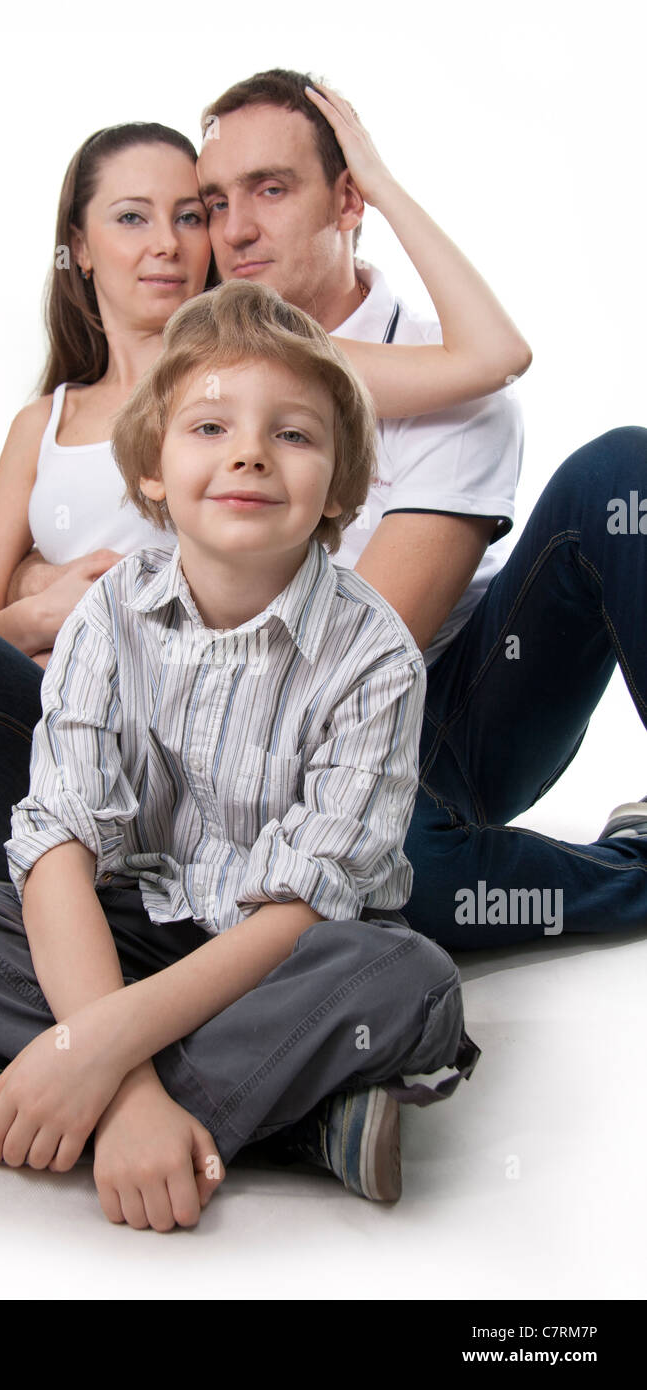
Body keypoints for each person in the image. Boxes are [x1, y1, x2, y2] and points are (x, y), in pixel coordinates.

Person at [0, 98, 531, 983]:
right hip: (20, 756)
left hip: (149, 786)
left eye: (192, 215)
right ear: (81, 246)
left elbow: (490, 358)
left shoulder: (250, 374)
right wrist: (40, 608)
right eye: (133, 218)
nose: (171, 243)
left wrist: (376, 181)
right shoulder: (45, 421)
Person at [0, 279, 482, 1227]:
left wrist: (94, 1048)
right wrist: (126, 1080)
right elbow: (61, 846)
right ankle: (283, 1121)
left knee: (413, 989)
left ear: (342, 487)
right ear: (150, 469)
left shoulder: (375, 655)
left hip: (280, 957)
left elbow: (300, 908)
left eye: (293, 433)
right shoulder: (106, 619)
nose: (249, 452)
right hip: (129, 933)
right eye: (209, 428)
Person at [192, 69, 647, 946]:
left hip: (460, 717)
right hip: (286, 756)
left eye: (272, 190)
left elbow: (367, 646)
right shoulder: (203, 388)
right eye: (214, 202)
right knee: (388, 880)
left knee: (620, 475)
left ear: (349, 198)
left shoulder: (454, 381)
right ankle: (629, 868)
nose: (236, 229)